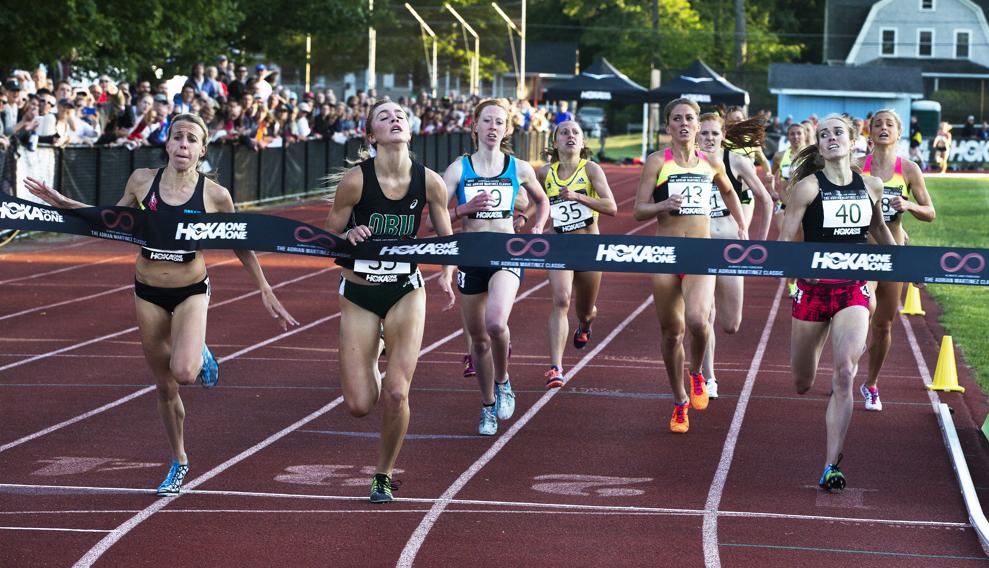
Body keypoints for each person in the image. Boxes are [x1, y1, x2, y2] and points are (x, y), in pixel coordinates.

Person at [24, 113, 298, 497]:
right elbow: (109, 220)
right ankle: (179, 460)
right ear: (167, 145)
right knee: (165, 387)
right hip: (147, 291)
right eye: (177, 137)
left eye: (192, 139)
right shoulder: (142, 181)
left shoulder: (215, 195)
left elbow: (241, 240)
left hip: (190, 290)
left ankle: (198, 351)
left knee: (184, 371)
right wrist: (63, 202)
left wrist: (265, 288)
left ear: (202, 151)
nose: (183, 144)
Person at [324, 100, 456, 502]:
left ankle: (382, 473)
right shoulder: (355, 181)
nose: (394, 119)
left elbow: (446, 241)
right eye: (384, 116)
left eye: (400, 115)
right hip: (361, 292)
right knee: (360, 405)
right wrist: (348, 235)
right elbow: (327, 238)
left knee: (398, 393)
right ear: (371, 134)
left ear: (411, 130)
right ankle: (373, 348)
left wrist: (447, 274)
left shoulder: (429, 181)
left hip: (404, 289)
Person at [779, 114, 897, 491]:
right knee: (802, 381)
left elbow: (878, 228)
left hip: (853, 288)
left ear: (853, 140)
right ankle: (813, 376)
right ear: (818, 145)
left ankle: (832, 464)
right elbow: (783, 245)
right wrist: (798, 272)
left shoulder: (872, 185)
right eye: (824, 134)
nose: (831, 138)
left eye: (838, 133)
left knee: (845, 371)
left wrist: (897, 260)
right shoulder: (807, 189)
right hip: (813, 291)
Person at [634, 98, 747, 433]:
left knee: (699, 321)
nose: (684, 124)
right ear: (668, 126)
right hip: (666, 253)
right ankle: (679, 399)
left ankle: (696, 372)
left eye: (690, 119)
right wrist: (663, 205)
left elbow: (729, 192)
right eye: (677, 119)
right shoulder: (657, 162)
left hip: (700, 252)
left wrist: (740, 225)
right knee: (672, 334)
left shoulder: (711, 162)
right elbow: (639, 209)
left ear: (698, 126)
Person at [443, 98, 549, 436]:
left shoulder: (518, 168)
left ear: (507, 129)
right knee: (478, 341)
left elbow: (542, 199)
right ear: (474, 125)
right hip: (471, 257)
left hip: (506, 253)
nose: (492, 127)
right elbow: (434, 220)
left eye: (499, 122)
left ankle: (503, 380)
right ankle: (488, 405)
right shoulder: (459, 169)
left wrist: (535, 224)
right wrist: (464, 209)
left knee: (496, 323)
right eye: (486, 121)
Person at [860, 109, 935, 411]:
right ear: (870, 132)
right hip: (861, 252)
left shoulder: (910, 169)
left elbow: (930, 212)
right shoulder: (857, 167)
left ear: (899, 132)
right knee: (861, 311)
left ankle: (871, 384)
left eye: (889, 124)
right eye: (877, 124)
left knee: (883, 326)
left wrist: (908, 205)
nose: (883, 128)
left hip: (893, 252)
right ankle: (847, 364)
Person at [535, 120, 617, 388]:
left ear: (582, 143)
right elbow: (533, 201)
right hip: (559, 246)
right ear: (555, 142)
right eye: (564, 132)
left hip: (588, 247)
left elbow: (611, 206)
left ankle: (584, 325)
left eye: (576, 133)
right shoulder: (544, 173)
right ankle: (556, 367)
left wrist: (578, 197)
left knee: (585, 310)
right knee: (561, 300)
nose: (570, 136)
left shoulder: (591, 169)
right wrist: (526, 216)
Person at [696, 112, 770, 400]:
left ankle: (706, 373)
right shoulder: (687, 164)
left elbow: (764, 198)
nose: (709, 138)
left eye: (715, 133)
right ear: (696, 135)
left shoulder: (736, 161)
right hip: (700, 247)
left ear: (723, 134)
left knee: (730, 323)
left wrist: (761, 244)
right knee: (704, 314)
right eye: (704, 133)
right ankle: (707, 376)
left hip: (729, 249)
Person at [772, 121, 811, 297]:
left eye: (799, 134)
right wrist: (772, 190)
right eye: (792, 134)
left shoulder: (812, 156)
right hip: (784, 205)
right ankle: (790, 281)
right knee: (787, 239)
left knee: (802, 243)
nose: (795, 137)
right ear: (787, 136)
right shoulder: (781, 156)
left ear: (804, 136)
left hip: (805, 206)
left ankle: (798, 278)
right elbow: (771, 175)